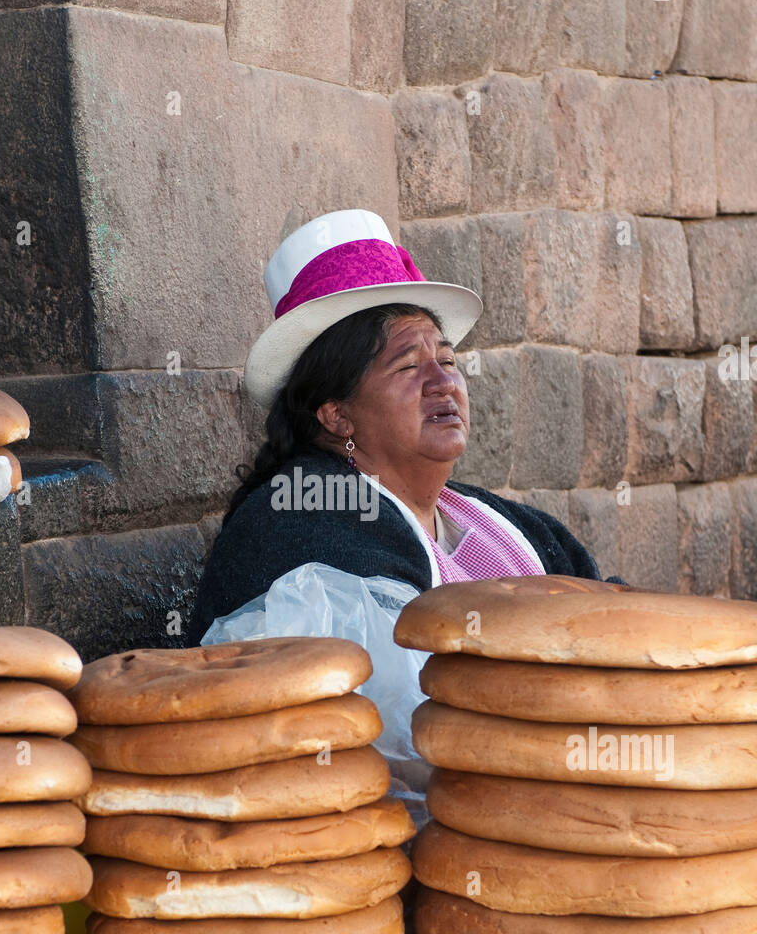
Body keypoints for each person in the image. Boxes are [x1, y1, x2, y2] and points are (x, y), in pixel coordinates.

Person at [187, 208, 615, 646]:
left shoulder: (497, 521)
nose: (445, 382)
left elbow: (613, 611)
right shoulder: (304, 517)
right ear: (336, 414)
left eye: (447, 361)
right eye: (409, 365)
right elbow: (403, 682)